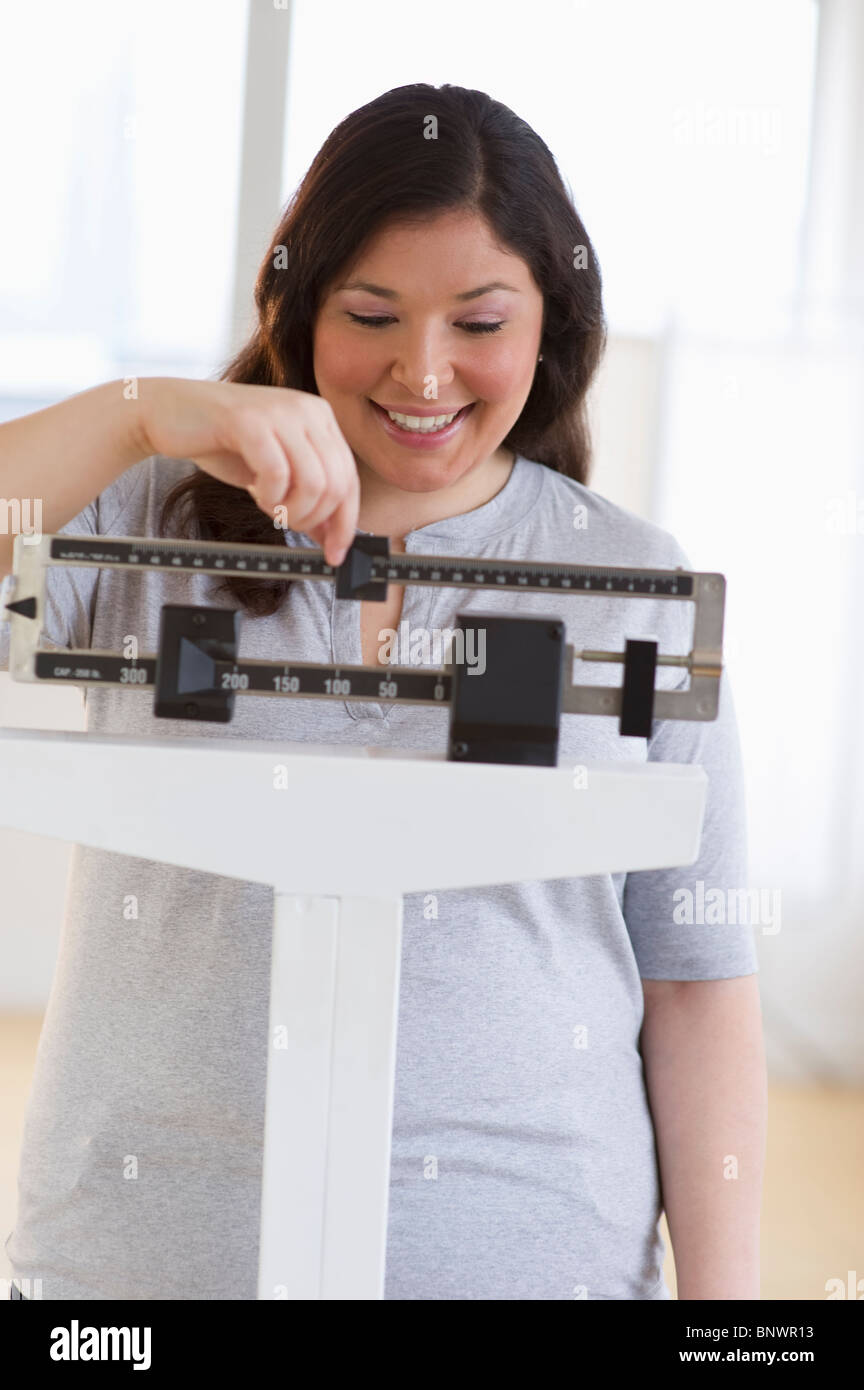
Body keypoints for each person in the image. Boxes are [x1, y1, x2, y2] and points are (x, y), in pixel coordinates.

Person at [0, 83, 766, 1301]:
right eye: (372, 313)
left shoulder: (638, 585)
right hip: (139, 1272)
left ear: (549, 326)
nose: (423, 371)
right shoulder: (142, 522)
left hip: (526, 1266)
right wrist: (143, 416)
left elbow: (695, 983)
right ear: (298, 310)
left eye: (480, 321)